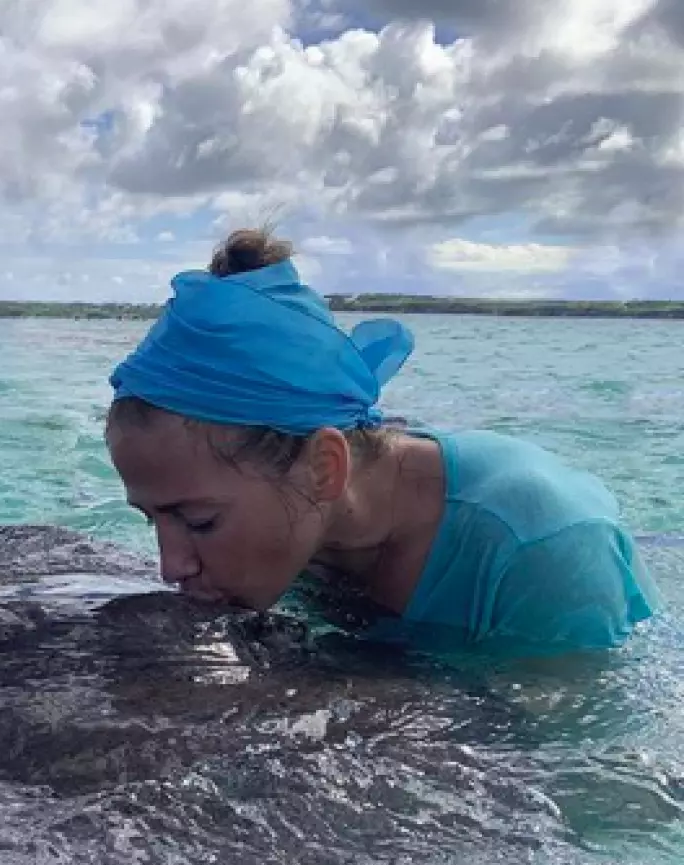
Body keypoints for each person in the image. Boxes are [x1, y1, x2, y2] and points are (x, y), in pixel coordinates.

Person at [106, 229, 660, 656]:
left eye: (200, 522)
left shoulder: (543, 552)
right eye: (153, 521)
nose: (170, 567)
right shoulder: (300, 518)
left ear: (324, 468)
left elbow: (579, 766)